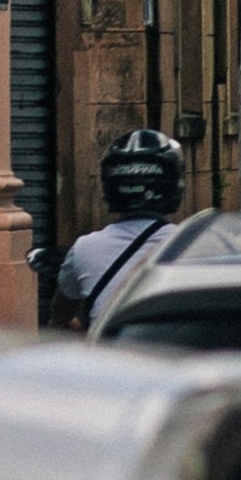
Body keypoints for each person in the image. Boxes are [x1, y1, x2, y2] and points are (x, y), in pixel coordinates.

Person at [48, 124, 186, 333]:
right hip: (170, 357)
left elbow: (61, 316)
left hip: (110, 358)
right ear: (172, 182)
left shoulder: (84, 248)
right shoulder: (192, 244)